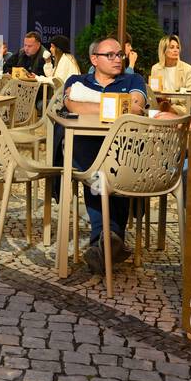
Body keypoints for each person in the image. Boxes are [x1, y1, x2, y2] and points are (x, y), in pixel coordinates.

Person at [58, 37, 148, 276]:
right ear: (94, 59)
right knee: (98, 169)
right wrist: (117, 104)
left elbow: (137, 107)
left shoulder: (133, 79)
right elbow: (72, 106)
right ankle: (111, 237)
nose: (118, 59)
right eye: (110, 55)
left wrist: (87, 99)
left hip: (123, 152)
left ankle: (102, 242)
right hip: (86, 150)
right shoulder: (77, 80)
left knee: (108, 170)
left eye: (120, 54)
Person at [149, 35, 191, 115]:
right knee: (155, 108)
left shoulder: (188, 69)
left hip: (180, 106)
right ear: (163, 50)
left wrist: (170, 100)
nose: (176, 50)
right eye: (171, 47)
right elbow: (153, 93)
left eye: (177, 47)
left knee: (164, 108)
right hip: (160, 104)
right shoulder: (156, 68)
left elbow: (188, 96)